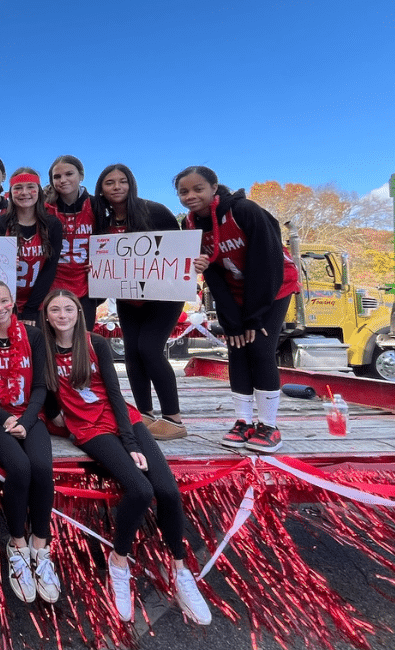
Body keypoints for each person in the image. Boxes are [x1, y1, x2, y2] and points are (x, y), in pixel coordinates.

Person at [39, 289, 211, 626]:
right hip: (88, 428)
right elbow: (39, 389)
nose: (62, 315)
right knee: (139, 490)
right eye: (55, 310)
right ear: (47, 316)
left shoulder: (95, 343)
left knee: (167, 490)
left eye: (69, 308)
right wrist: (54, 415)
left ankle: (180, 569)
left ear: (79, 312)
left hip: (121, 418)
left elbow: (115, 394)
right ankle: (119, 561)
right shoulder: (42, 348)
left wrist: (131, 441)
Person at [176, 166, 299, 452]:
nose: (191, 196)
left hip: (273, 286)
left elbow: (267, 264)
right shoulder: (190, 225)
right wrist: (230, 320)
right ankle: (243, 421)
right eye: (183, 192)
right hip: (235, 290)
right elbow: (214, 275)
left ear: (214, 187)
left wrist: (254, 318)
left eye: (198, 189)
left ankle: (269, 426)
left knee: (259, 348)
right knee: (237, 349)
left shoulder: (245, 211)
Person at [0, 280, 61, 605]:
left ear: (13, 302)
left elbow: (40, 385)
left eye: (4, 301)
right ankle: (18, 546)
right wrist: (5, 419)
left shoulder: (34, 336)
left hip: (28, 415)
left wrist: (24, 421)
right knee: (20, 469)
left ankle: (41, 547)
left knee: (42, 467)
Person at [92, 163, 188, 441]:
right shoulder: (103, 219)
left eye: (122, 181)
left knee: (149, 349)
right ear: (101, 189)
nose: (117, 187)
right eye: (110, 183)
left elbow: (180, 250)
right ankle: (144, 414)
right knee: (132, 354)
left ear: (131, 184)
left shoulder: (154, 211)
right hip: (128, 296)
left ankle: (174, 418)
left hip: (163, 295)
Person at [0, 167, 62, 321]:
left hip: (38, 303)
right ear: (10, 192)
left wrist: (31, 309)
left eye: (30, 187)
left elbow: (50, 268)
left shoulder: (53, 224)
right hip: (5, 305)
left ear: (39, 191)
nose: (24, 192)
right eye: (18, 188)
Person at [44, 154, 99, 329]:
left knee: (84, 339)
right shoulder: (45, 208)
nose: (63, 180)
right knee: (52, 342)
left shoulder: (97, 205)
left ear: (81, 176)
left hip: (85, 285)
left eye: (69, 174)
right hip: (53, 284)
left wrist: (103, 263)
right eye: (57, 176)